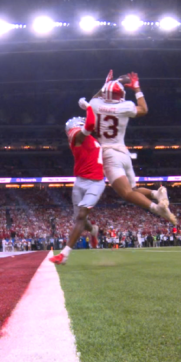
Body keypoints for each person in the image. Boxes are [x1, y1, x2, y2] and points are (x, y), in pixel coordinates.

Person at [84, 71, 176, 224]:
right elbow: (144, 109)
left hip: (109, 154)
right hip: (124, 153)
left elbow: (95, 97)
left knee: (126, 194)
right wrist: (137, 88)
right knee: (133, 191)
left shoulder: (95, 104)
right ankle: (156, 193)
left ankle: (156, 208)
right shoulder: (125, 106)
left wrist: (106, 84)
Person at [50, 106, 105, 264]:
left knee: (80, 216)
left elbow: (90, 126)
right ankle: (93, 230)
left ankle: (64, 255)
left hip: (95, 182)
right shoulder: (78, 137)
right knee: (80, 219)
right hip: (80, 181)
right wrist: (88, 107)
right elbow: (89, 126)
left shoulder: (90, 139)